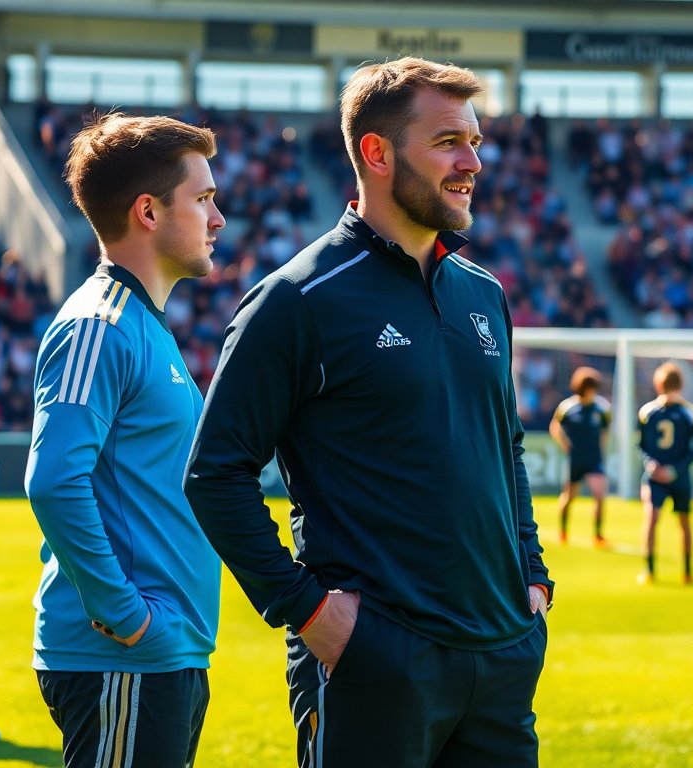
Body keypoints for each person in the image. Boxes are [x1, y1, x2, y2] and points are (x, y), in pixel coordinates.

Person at [184, 57, 552, 768]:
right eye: (448, 142)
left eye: (475, 141)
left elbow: (504, 445)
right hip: (376, 661)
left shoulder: (483, 293)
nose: (473, 162)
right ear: (377, 153)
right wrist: (308, 612)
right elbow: (215, 474)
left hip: (503, 652)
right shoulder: (297, 300)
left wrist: (531, 578)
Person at [24, 113, 225, 768]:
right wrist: (127, 616)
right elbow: (54, 479)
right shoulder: (98, 324)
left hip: (164, 652)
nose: (218, 219)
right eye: (203, 199)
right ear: (148, 211)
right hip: (124, 655)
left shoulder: (143, 323)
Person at [636, 362, 693, 584]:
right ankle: (650, 569)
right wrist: (650, 463)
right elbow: (641, 444)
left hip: (679, 477)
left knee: (683, 521)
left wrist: (675, 469)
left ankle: (687, 571)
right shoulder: (648, 412)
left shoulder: (689, 412)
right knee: (652, 517)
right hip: (655, 477)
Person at [550, 366, 612, 545]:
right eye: (589, 389)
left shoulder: (602, 408)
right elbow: (555, 427)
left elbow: (605, 431)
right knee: (569, 496)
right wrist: (565, 444)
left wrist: (601, 448)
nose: (592, 393)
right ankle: (563, 532)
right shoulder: (567, 407)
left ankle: (598, 534)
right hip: (575, 459)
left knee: (599, 495)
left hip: (594, 459)